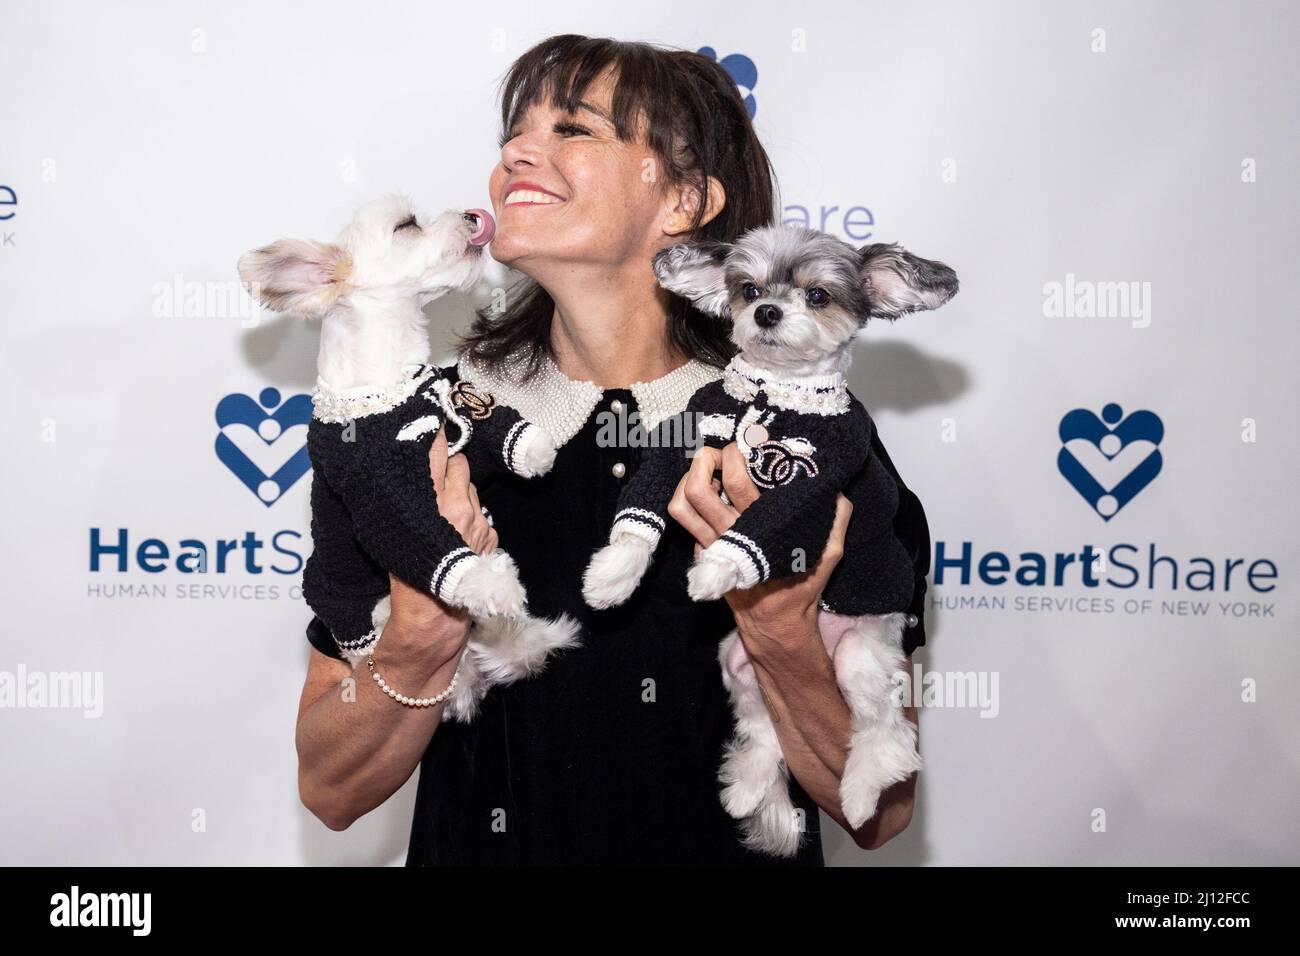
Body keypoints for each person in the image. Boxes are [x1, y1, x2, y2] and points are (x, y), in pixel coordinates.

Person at [293, 33, 931, 865]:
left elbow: (880, 816)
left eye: (573, 129)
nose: (517, 152)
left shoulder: (804, 442)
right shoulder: (428, 428)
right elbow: (330, 791)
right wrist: (421, 626)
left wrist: (779, 633)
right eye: (512, 135)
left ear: (685, 201)